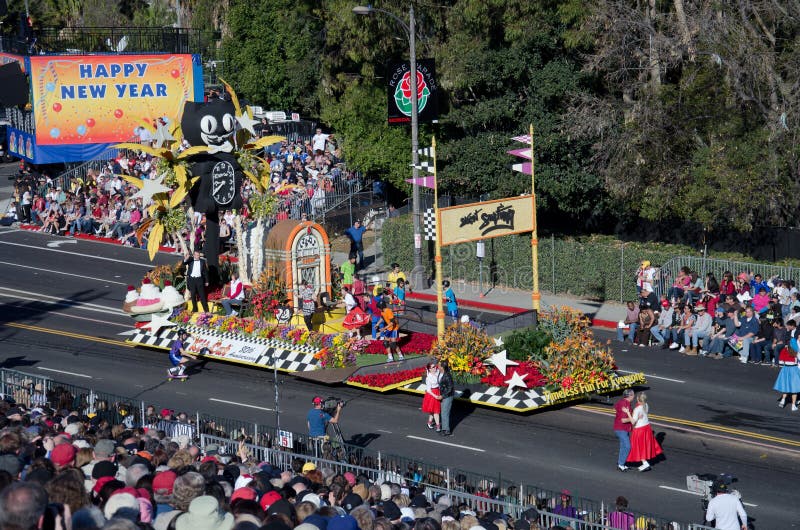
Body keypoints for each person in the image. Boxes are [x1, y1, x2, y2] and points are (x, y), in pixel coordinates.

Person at [624, 392, 662, 471]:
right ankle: (644, 463)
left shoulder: (637, 409)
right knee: (643, 446)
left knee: (638, 447)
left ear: (638, 399)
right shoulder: (646, 405)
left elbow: (633, 422)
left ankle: (643, 463)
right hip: (647, 428)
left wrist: (628, 413)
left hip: (640, 430)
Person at [774, 334, 800, 411]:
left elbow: (781, 362)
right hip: (794, 369)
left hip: (785, 369)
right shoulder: (796, 352)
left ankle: (783, 400)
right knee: (794, 389)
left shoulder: (784, 350)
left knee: (786, 386)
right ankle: (793, 405)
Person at [613, 389, 635, 471]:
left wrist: (618, 414)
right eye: (633, 395)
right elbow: (623, 420)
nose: (634, 396)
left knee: (623, 447)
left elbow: (615, 408)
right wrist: (634, 419)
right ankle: (621, 464)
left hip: (623, 428)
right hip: (621, 429)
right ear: (629, 396)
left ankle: (621, 463)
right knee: (627, 446)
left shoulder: (623, 402)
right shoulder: (625, 404)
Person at [421, 362, 442, 431]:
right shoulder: (429, 378)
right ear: (429, 369)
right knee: (436, 411)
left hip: (438, 391)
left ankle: (429, 422)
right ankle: (438, 426)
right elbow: (428, 390)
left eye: (435, 366)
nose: (435, 368)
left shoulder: (438, 372)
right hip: (432, 394)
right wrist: (435, 396)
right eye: (433, 367)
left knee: (433, 411)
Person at [438, 360, 454, 437]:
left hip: (447, 396)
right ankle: (444, 427)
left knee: (445, 413)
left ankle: (446, 430)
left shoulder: (447, 376)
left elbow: (450, 388)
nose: (437, 366)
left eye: (439, 365)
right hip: (442, 394)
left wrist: (443, 396)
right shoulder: (440, 373)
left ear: (442, 367)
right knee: (443, 412)